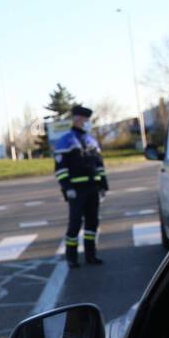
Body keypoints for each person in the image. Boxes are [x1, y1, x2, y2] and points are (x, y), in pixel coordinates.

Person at [53, 104, 108, 267]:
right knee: (75, 223)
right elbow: (60, 168)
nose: (87, 122)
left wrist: (103, 185)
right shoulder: (66, 141)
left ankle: (91, 255)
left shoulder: (91, 140)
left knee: (92, 223)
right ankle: (72, 258)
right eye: (86, 120)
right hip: (76, 191)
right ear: (78, 119)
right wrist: (67, 187)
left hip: (93, 189)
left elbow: (99, 165)